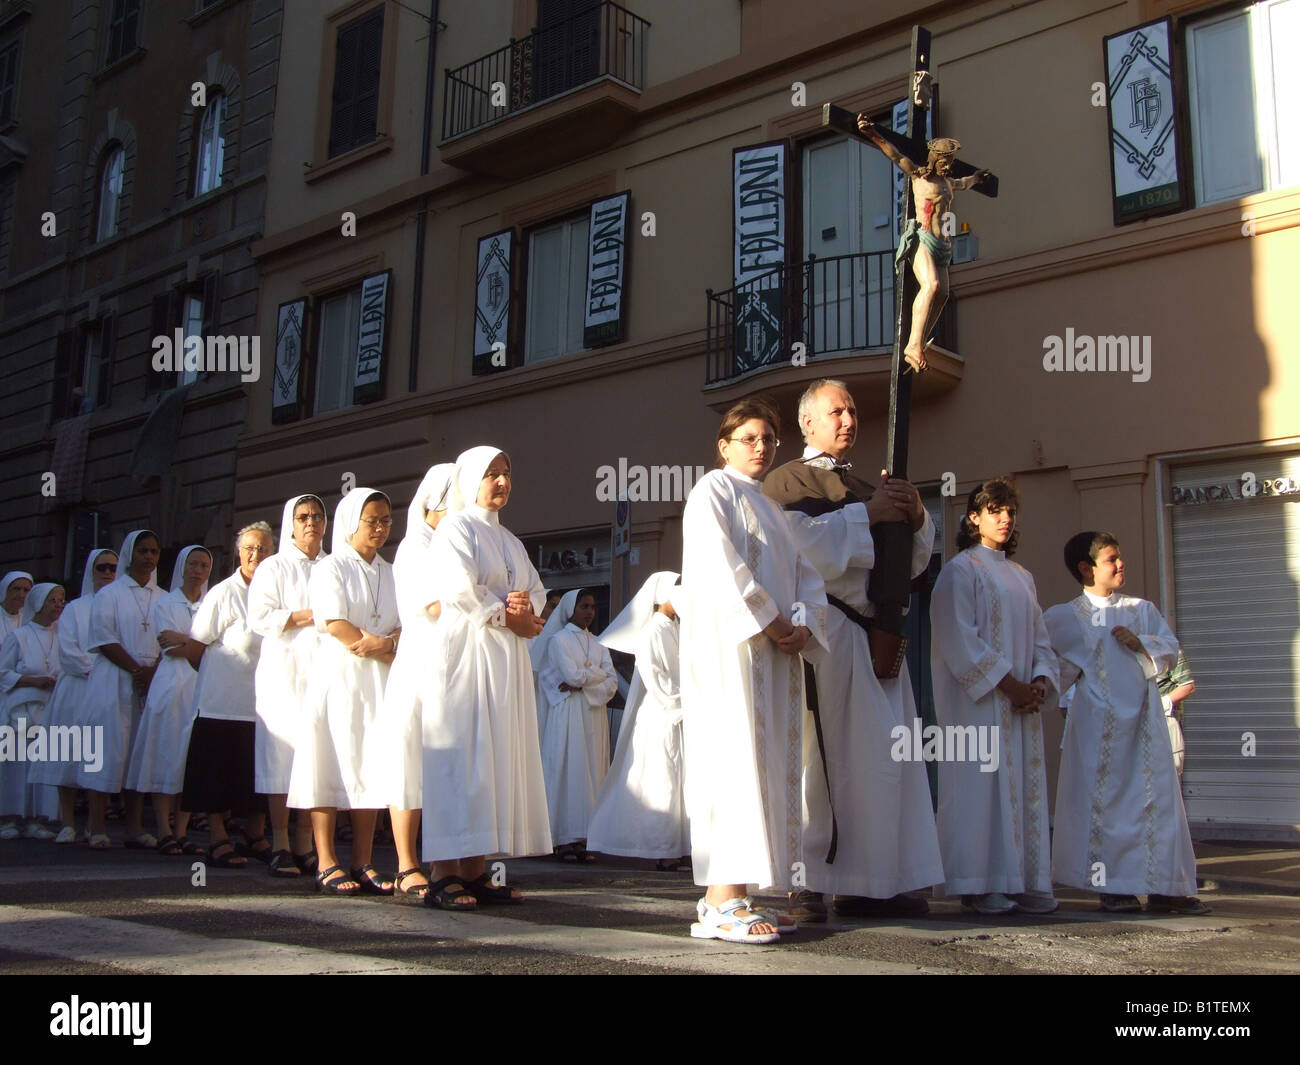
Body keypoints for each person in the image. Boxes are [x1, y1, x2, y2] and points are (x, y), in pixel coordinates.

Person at [763, 379, 943, 919]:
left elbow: (906, 566)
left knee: (880, 764)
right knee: (819, 761)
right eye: (836, 411)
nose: (848, 419)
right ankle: (809, 878)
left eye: (853, 411)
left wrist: (915, 518)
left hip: (875, 637)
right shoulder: (786, 481)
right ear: (808, 424)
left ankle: (873, 881)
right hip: (828, 635)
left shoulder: (867, 483)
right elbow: (792, 550)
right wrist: (869, 516)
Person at [680, 398, 828, 944]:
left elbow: (807, 574)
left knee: (766, 763)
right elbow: (723, 568)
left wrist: (805, 624)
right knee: (732, 760)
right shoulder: (711, 493)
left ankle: (742, 891)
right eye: (750, 438)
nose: (762, 447)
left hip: (774, 653)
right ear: (724, 445)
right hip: (732, 654)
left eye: (768, 439)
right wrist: (770, 622)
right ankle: (721, 900)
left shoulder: (771, 508)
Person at [1044, 531, 1207, 916]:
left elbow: (1169, 648)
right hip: (1098, 726)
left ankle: (1167, 887)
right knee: (1108, 804)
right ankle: (1113, 887)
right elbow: (1050, 664)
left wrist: (1142, 643)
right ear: (1086, 568)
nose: (1121, 565)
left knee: (1157, 803)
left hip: (1146, 724)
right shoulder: (1064, 617)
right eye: (1111, 559)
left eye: (1120, 557)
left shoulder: (1141, 609)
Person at [421, 446, 549, 910]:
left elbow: (535, 588)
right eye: (491, 474)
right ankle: (442, 871)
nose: (501, 481)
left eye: (506, 473)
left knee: (491, 759)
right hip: (468, 658)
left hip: (504, 661)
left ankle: (474, 871)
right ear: (469, 479)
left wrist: (526, 612)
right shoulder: (456, 527)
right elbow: (458, 589)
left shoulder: (510, 540)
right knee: (463, 754)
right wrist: (505, 613)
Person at [929, 478, 1058, 915]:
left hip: (1020, 707)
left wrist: (1038, 681)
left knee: (1021, 786)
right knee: (979, 789)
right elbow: (957, 640)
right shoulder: (959, 571)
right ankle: (978, 883)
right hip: (979, 707)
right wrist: (1009, 685)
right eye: (995, 510)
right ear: (974, 518)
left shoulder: (1022, 577)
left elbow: (1041, 638)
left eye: (1010, 511)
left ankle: (1019, 880)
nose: (1005, 518)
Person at [289, 487, 400, 895]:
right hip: (339, 674)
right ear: (353, 522)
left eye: (386, 520)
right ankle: (326, 859)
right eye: (372, 520)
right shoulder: (331, 567)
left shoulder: (392, 571)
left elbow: (405, 624)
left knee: (373, 766)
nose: (380, 528)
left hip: (380, 678)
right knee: (329, 760)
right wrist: (371, 643)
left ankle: (364, 860)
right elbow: (333, 621)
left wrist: (385, 645)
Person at [855, 116, 990, 373]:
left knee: (943, 294)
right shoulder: (919, 177)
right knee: (931, 285)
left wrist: (976, 178)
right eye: (944, 161)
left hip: (943, 246)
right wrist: (872, 134)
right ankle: (912, 345)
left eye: (950, 161)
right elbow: (895, 155)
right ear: (934, 159)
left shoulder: (948, 183)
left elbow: (964, 183)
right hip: (923, 239)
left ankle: (921, 337)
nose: (948, 166)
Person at [378, 463, 456, 897]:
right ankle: (407, 863)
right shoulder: (414, 549)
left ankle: (446, 859)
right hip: (419, 664)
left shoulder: (455, 544)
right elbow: (433, 607)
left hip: (450, 667)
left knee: (444, 765)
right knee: (409, 762)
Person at [182, 524, 275, 871]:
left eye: (264, 549)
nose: (256, 555)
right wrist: (217, 681)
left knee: (257, 773)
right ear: (239, 552)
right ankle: (218, 839)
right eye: (250, 548)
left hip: (261, 704)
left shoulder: (275, 593)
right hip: (220, 704)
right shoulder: (223, 593)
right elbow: (195, 649)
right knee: (216, 772)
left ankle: (255, 834)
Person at [587, 571, 690, 871]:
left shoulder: (677, 629)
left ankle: (680, 845)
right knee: (664, 781)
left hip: (679, 714)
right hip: (662, 715)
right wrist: (683, 704)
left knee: (679, 782)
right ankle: (663, 848)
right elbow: (658, 678)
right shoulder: (654, 631)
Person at [248, 494, 328, 872]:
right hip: (284, 673)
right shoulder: (273, 567)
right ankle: (279, 841)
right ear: (291, 524)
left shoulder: (334, 565)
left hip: (325, 671)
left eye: (316, 516)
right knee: (280, 757)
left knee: (315, 757)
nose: (310, 522)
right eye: (302, 517)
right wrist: (309, 615)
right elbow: (260, 618)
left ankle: (306, 841)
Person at [124, 545, 211, 855]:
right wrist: (196, 642)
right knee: (165, 753)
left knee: (191, 759)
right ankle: (163, 829)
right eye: (193, 564)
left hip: (199, 684)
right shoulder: (164, 602)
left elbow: (211, 646)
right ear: (182, 567)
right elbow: (168, 645)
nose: (198, 570)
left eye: (204, 565)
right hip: (170, 684)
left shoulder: (211, 603)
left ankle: (182, 830)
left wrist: (186, 640)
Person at [29, 549, 117, 842]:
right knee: (66, 756)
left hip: (104, 690)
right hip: (76, 688)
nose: (107, 573)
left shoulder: (119, 605)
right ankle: (67, 822)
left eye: (113, 568)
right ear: (91, 571)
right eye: (101, 567)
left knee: (97, 758)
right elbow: (67, 651)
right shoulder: (75, 609)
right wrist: (97, 669)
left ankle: (95, 823)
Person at [84, 530, 164, 848]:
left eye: (154, 552)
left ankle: (133, 826)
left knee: (138, 753)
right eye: (143, 550)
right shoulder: (110, 594)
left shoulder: (162, 597)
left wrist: (151, 671)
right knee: (107, 751)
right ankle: (96, 824)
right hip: (115, 679)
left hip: (149, 680)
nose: (149, 557)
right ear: (131, 553)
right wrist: (136, 670)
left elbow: (166, 638)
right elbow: (104, 640)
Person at [536, 588, 618, 861]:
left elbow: (612, 682)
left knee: (592, 772)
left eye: (593, 607)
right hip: (569, 714)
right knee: (568, 770)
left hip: (592, 712)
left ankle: (585, 837)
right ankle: (562, 838)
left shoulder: (599, 642)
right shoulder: (558, 641)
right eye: (584, 606)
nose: (590, 612)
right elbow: (572, 674)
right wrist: (593, 678)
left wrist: (584, 683)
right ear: (572, 608)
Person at [0, 583, 67, 839]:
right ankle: (8, 818)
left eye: (61, 600)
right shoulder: (18, 636)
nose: (59, 605)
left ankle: (37, 819)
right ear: (39, 603)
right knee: (16, 767)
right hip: (19, 710)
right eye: (53, 600)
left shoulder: (60, 635)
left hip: (48, 709)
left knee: (42, 765)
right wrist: (34, 681)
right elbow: (3, 672)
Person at [1156, 649, 1194, 776]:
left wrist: (1158, 705)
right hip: (1136, 727)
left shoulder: (1168, 650)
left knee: (1167, 777)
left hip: (1165, 724)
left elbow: (1187, 686)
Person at [1, 572, 33, 643]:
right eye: (17, 589)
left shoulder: (29, 619)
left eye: (26, 590)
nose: (21, 595)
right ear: (5, 589)